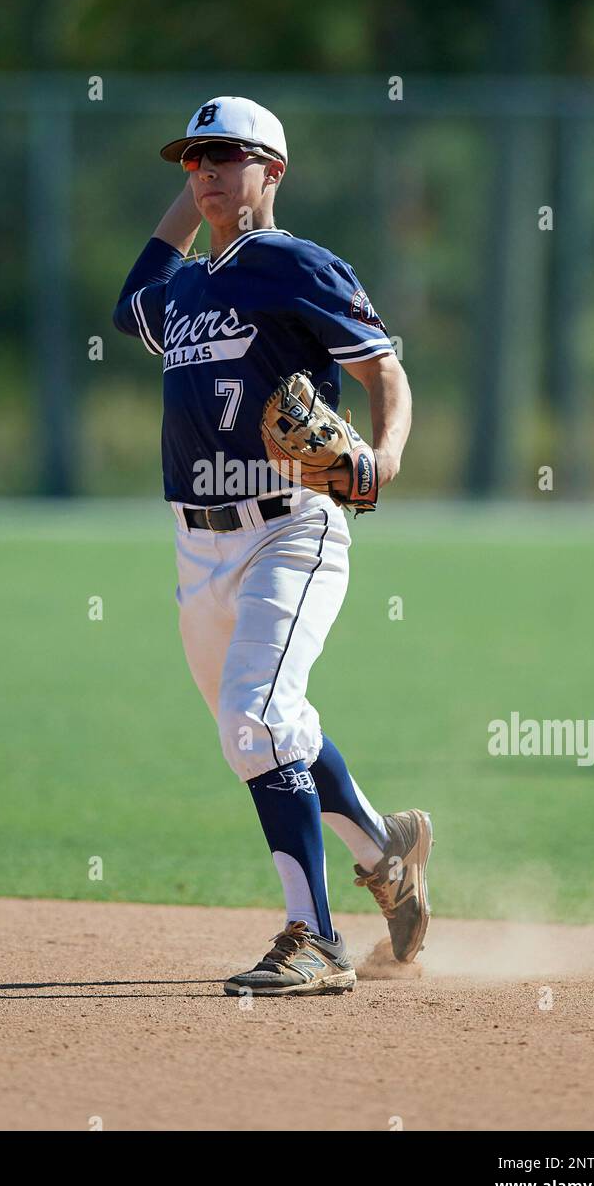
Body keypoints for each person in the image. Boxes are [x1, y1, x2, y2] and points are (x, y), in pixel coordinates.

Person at [113, 95, 433, 996]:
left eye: (229, 156)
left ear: (274, 170)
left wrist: (385, 456)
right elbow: (127, 295)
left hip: (292, 527)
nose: (208, 170)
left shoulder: (298, 266)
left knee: (253, 721)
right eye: (194, 158)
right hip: (195, 549)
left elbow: (384, 370)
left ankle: (315, 939)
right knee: (273, 728)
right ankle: (388, 852)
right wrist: (197, 198)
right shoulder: (179, 292)